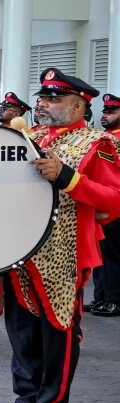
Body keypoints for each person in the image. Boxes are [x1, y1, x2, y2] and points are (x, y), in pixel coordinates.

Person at [0, 68, 120, 403]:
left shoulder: (98, 142)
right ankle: (25, 400)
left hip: (63, 250)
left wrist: (68, 177)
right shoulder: (29, 137)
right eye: (42, 97)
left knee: (57, 331)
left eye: (54, 98)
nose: (42, 104)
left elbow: (115, 199)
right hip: (18, 246)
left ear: (78, 105)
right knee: (20, 328)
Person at [87, 93, 120, 318]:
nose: (105, 115)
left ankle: (114, 300)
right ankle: (101, 296)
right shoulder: (102, 137)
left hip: (114, 206)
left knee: (113, 257)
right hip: (99, 203)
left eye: (111, 111)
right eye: (105, 111)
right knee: (100, 256)